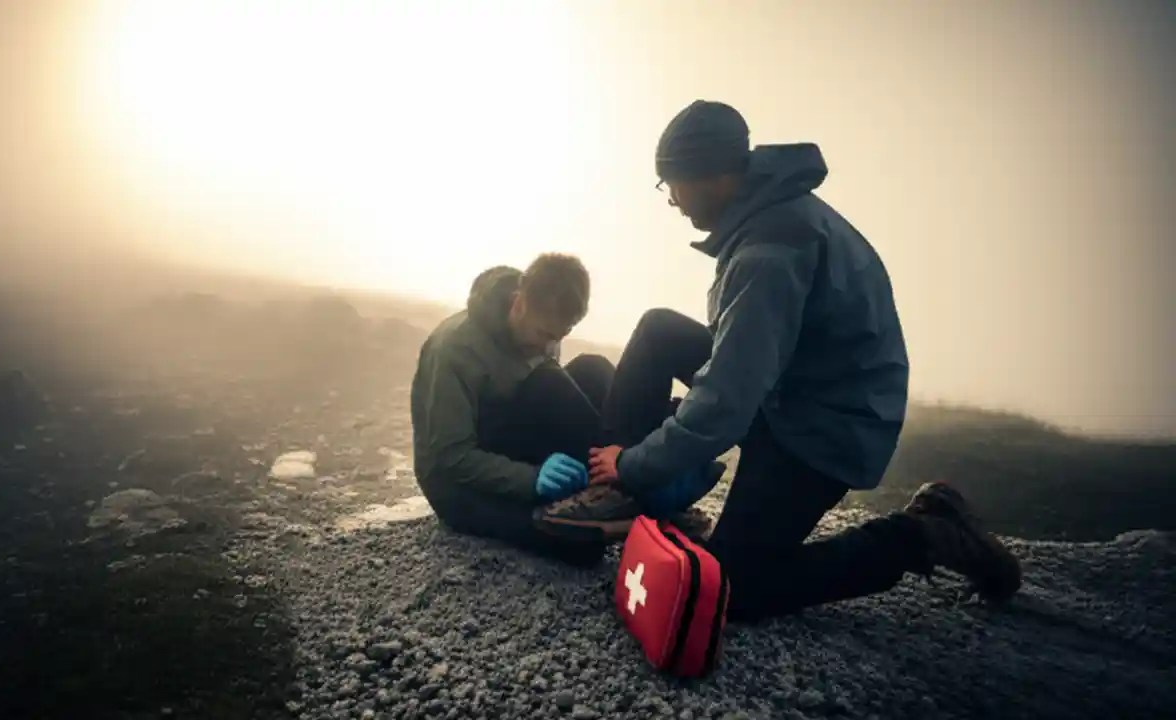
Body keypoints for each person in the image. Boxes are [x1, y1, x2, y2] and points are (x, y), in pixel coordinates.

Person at [586, 100, 1022, 623]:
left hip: (825, 431)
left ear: (712, 175)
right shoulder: (769, 215)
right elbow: (743, 363)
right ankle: (618, 497)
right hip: (793, 391)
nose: (673, 200)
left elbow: (726, 403)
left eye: (672, 183)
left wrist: (634, 462)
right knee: (660, 330)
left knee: (729, 588)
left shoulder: (767, 253)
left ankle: (921, 533)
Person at [409, 253, 616, 564]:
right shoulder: (453, 350)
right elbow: (451, 457)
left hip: (512, 443)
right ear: (518, 304)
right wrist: (532, 479)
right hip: (458, 485)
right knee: (583, 547)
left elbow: (543, 400)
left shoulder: (542, 328)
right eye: (545, 335)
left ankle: (623, 477)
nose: (549, 345)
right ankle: (606, 498)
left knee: (593, 369)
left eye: (559, 337)